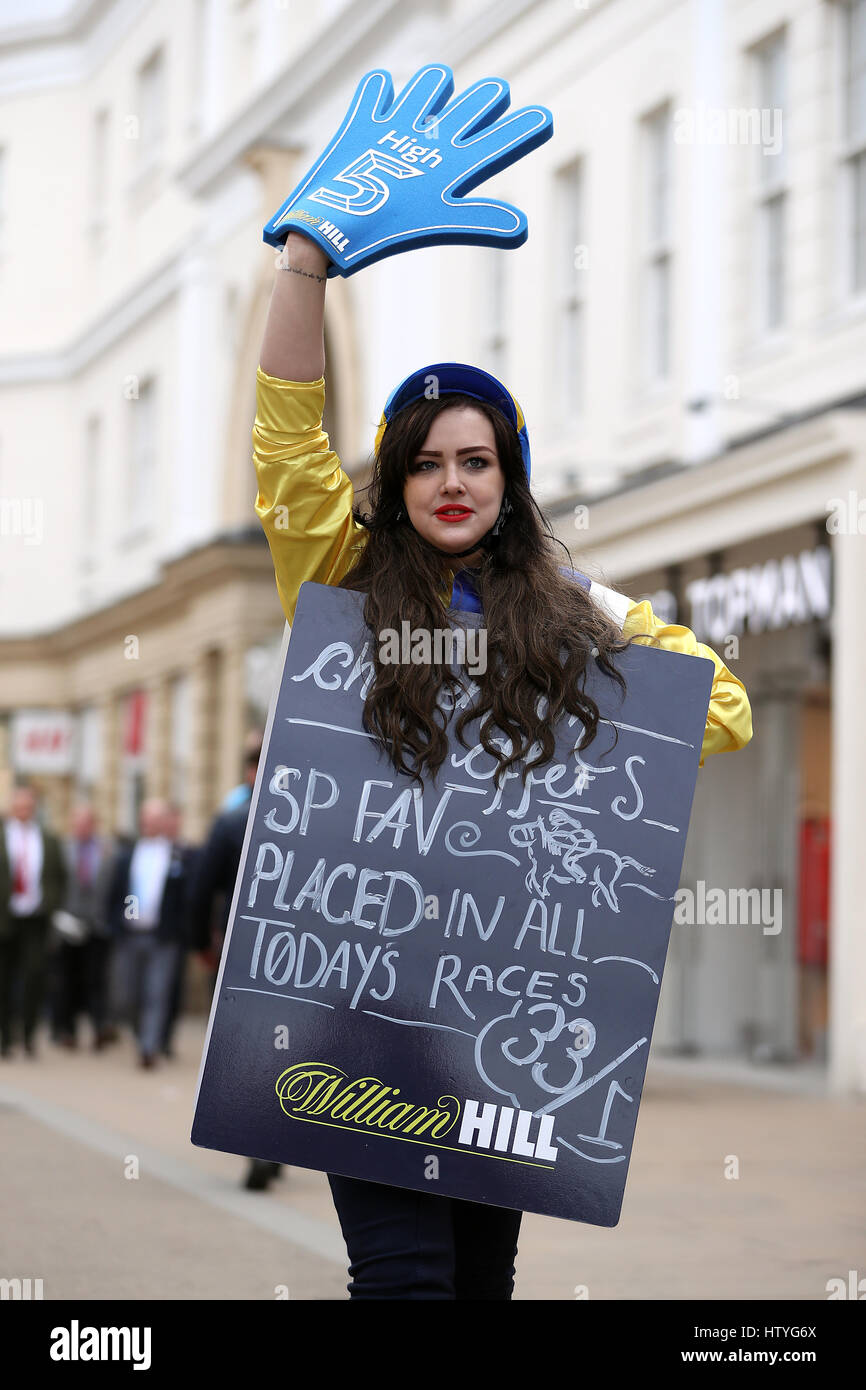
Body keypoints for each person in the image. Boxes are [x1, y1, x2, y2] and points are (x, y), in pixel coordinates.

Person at [250, 225, 753, 1300]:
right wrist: (305, 261)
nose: (449, 481)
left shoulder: (559, 629)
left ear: (509, 478)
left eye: (475, 460)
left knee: (481, 1284)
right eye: (423, 462)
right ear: (392, 478)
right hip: (363, 1016)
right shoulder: (337, 591)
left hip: (501, 1027)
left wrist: (595, 608)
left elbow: (720, 708)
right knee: (404, 1281)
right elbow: (287, 447)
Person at [188, 732, 282, 1192]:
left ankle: (258, 1147)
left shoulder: (230, 822)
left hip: (239, 957)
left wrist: (200, 943)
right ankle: (274, 1145)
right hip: (296, 960)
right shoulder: (314, 815)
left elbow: (201, 889)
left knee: (244, 1055)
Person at [106, 798, 192, 1069]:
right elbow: (117, 893)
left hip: (162, 937)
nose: (152, 824)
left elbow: (186, 897)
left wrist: (179, 930)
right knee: (126, 995)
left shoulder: (177, 855)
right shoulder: (129, 854)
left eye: (157, 818)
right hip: (131, 933)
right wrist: (116, 924)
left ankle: (148, 1047)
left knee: (157, 992)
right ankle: (139, 1033)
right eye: (147, 818)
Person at [0, 782, 68, 1058]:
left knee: (34, 975)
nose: (24, 811)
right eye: (19, 806)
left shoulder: (48, 840)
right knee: (4, 979)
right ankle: (5, 1037)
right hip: (5, 918)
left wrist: (51, 903)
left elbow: (60, 877)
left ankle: (28, 1035)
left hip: (37, 918)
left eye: (29, 806)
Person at [53, 802, 116, 1050]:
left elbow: (121, 890)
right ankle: (66, 1030)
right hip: (67, 925)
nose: (81, 828)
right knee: (67, 980)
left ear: (94, 824)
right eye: (77, 823)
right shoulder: (62, 849)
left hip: (98, 926)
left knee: (96, 980)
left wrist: (127, 919)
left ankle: (100, 1028)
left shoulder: (108, 850)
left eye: (86, 823)